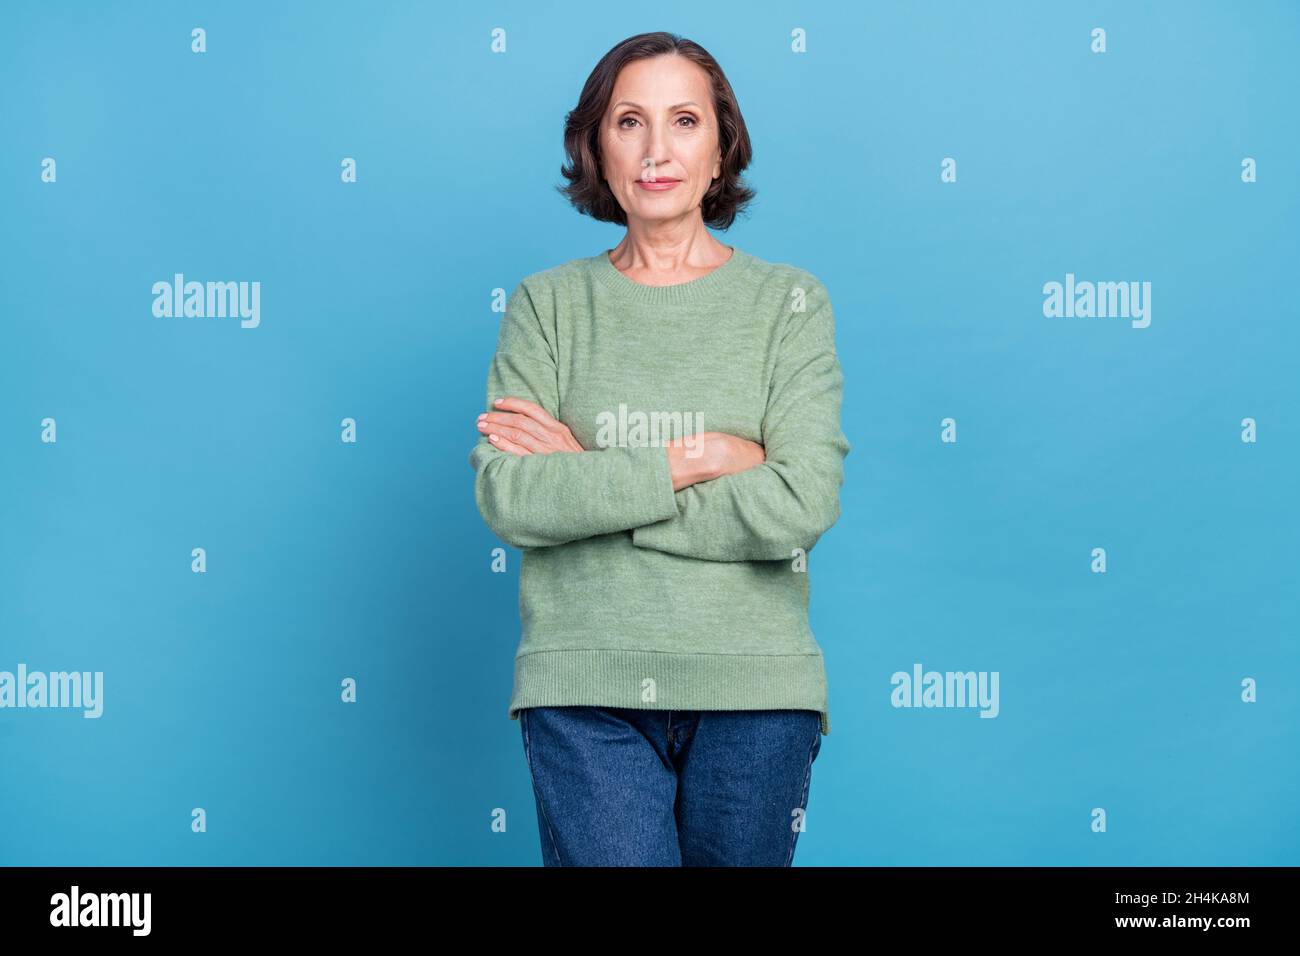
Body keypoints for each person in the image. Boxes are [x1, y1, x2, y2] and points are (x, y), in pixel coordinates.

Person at [469, 31, 850, 866]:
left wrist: (591, 480)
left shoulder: (787, 304)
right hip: (584, 687)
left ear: (722, 149)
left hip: (755, 688)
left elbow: (801, 503)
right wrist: (704, 455)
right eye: (628, 121)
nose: (655, 150)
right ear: (596, 148)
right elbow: (513, 498)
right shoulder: (547, 306)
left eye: (684, 120)